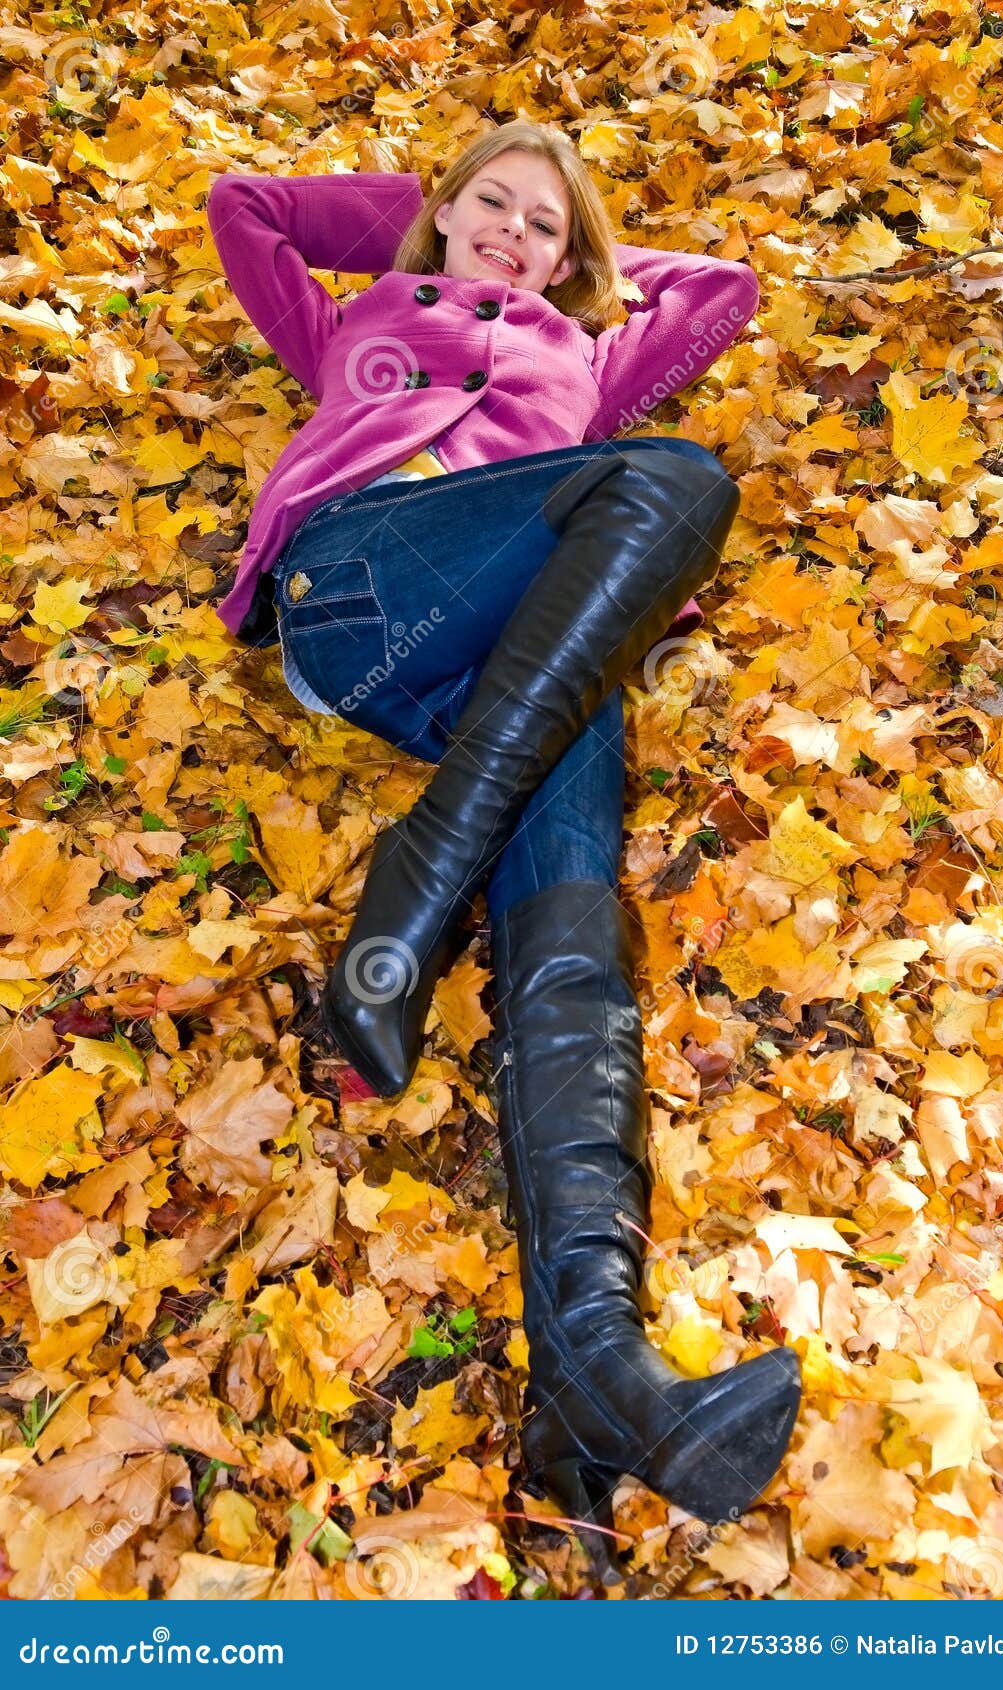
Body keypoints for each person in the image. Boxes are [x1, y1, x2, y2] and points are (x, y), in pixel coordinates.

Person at [207, 119, 801, 1584]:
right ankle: (417, 879)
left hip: (505, 679)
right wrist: (435, 222)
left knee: (574, 902)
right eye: (492, 207)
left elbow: (719, 285)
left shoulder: (585, 355)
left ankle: (592, 1382)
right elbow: (245, 204)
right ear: (440, 209)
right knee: (673, 486)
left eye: (544, 226)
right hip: (368, 595)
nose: (513, 238)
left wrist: (576, 257)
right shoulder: (362, 313)